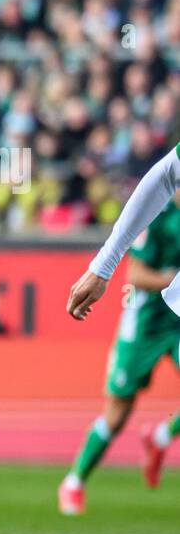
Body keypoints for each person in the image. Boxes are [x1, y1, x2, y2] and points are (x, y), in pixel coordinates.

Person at [66, 144, 180, 512]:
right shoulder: (161, 216)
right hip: (148, 320)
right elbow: (136, 273)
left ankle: (161, 437)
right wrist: (102, 267)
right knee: (119, 410)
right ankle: (75, 480)